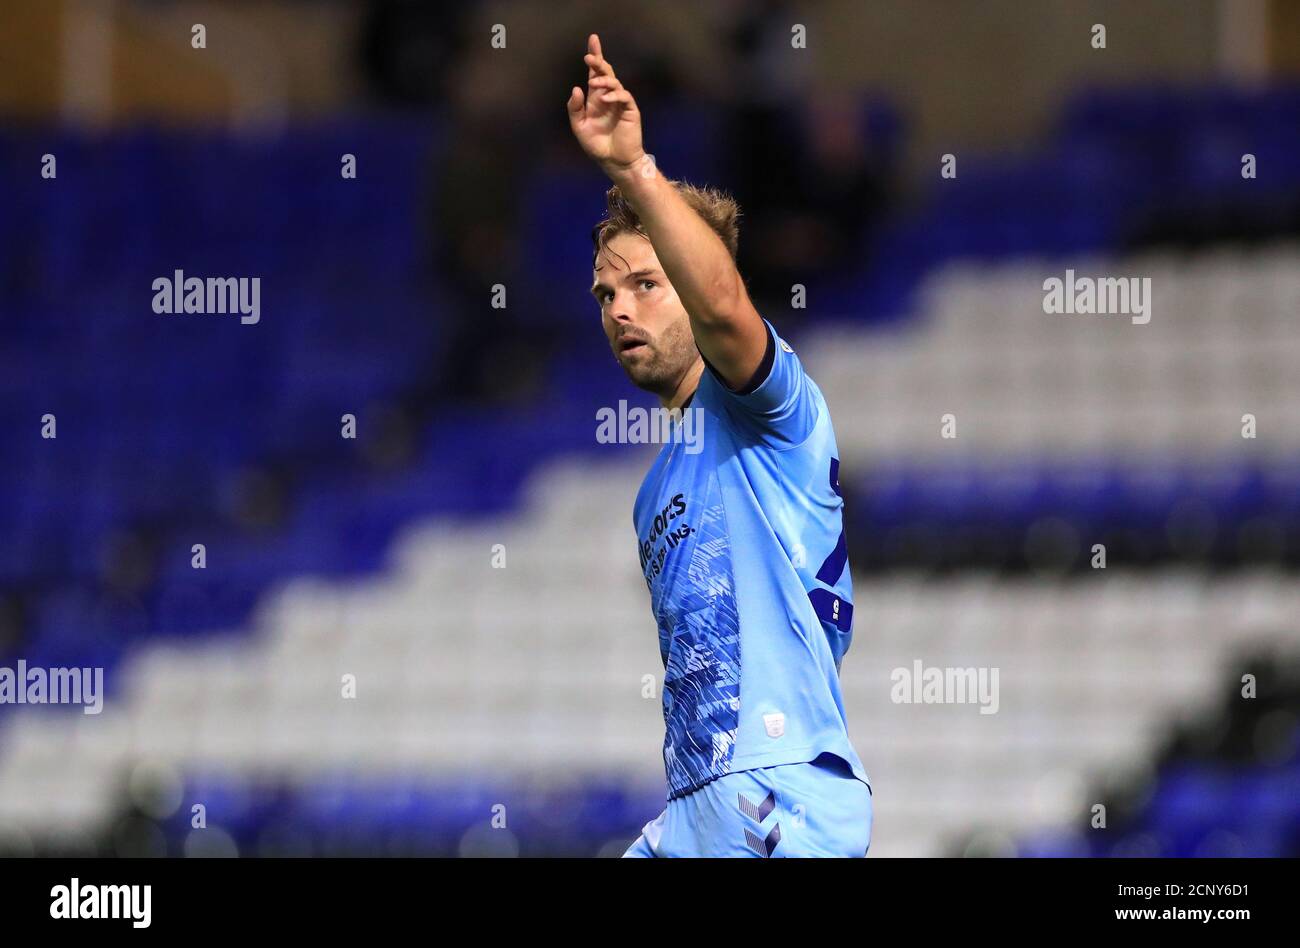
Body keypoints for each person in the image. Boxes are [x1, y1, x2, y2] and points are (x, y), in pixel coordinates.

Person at [567, 34, 872, 857]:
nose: (619, 310)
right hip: (697, 805)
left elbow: (730, 310)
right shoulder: (652, 490)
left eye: (645, 284)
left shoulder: (773, 411)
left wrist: (634, 171)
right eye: (606, 294)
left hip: (779, 789)